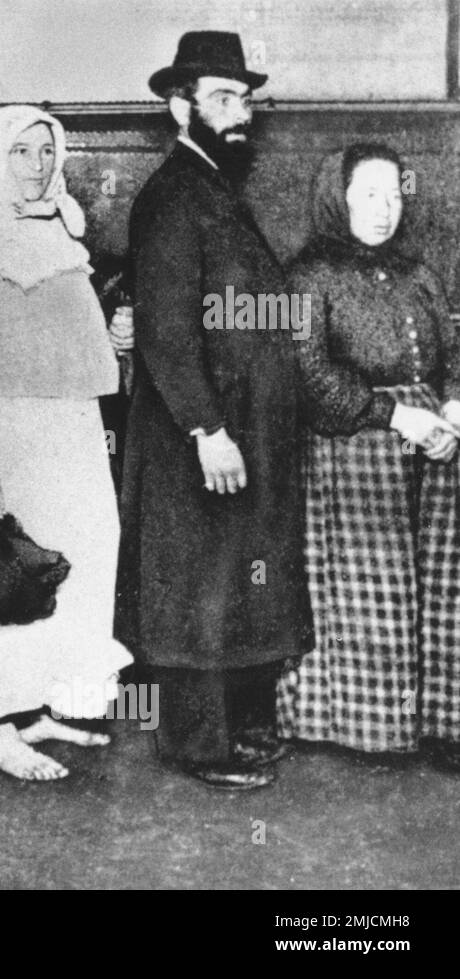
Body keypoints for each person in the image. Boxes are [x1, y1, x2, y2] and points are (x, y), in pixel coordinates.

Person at [118, 31, 315, 790]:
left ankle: (232, 728)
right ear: (180, 106)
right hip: (194, 435)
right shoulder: (172, 197)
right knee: (194, 580)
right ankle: (196, 745)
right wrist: (206, 429)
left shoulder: (213, 189)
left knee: (230, 575)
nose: (241, 115)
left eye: (246, 101)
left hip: (237, 428)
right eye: (224, 100)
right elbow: (167, 333)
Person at [0, 105, 132, 781]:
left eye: (48, 151)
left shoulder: (65, 233)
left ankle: (44, 704)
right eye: (22, 153)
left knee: (72, 569)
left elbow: (70, 339)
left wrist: (113, 342)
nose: (38, 166)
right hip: (1, 434)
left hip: (68, 434)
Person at [279, 144, 460, 770]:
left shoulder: (418, 273)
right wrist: (395, 415)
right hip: (351, 448)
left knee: (438, 583)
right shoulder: (307, 276)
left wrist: (453, 411)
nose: (385, 210)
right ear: (339, 198)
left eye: (395, 195)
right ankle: (369, 723)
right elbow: (308, 374)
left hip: (433, 445)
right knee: (371, 585)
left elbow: (453, 349)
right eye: (369, 196)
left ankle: (437, 719)